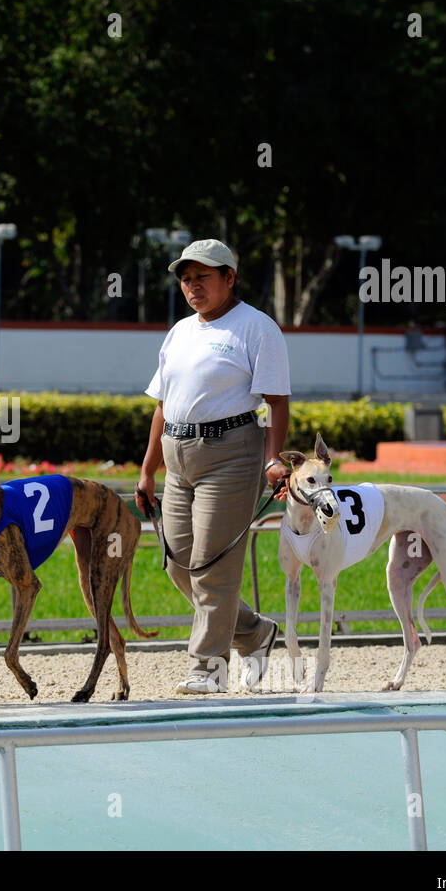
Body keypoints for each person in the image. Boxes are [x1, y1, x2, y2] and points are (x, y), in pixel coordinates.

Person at [135, 238, 291, 693]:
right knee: (178, 562)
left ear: (229, 277)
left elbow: (277, 403)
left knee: (213, 566)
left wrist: (273, 460)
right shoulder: (180, 331)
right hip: (177, 455)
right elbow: (162, 406)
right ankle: (254, 632)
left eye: (202, 276)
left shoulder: (257, 328)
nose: (192, 286)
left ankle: (209, 669)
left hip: (232, 452)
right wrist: (148, 469)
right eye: (185, 278)